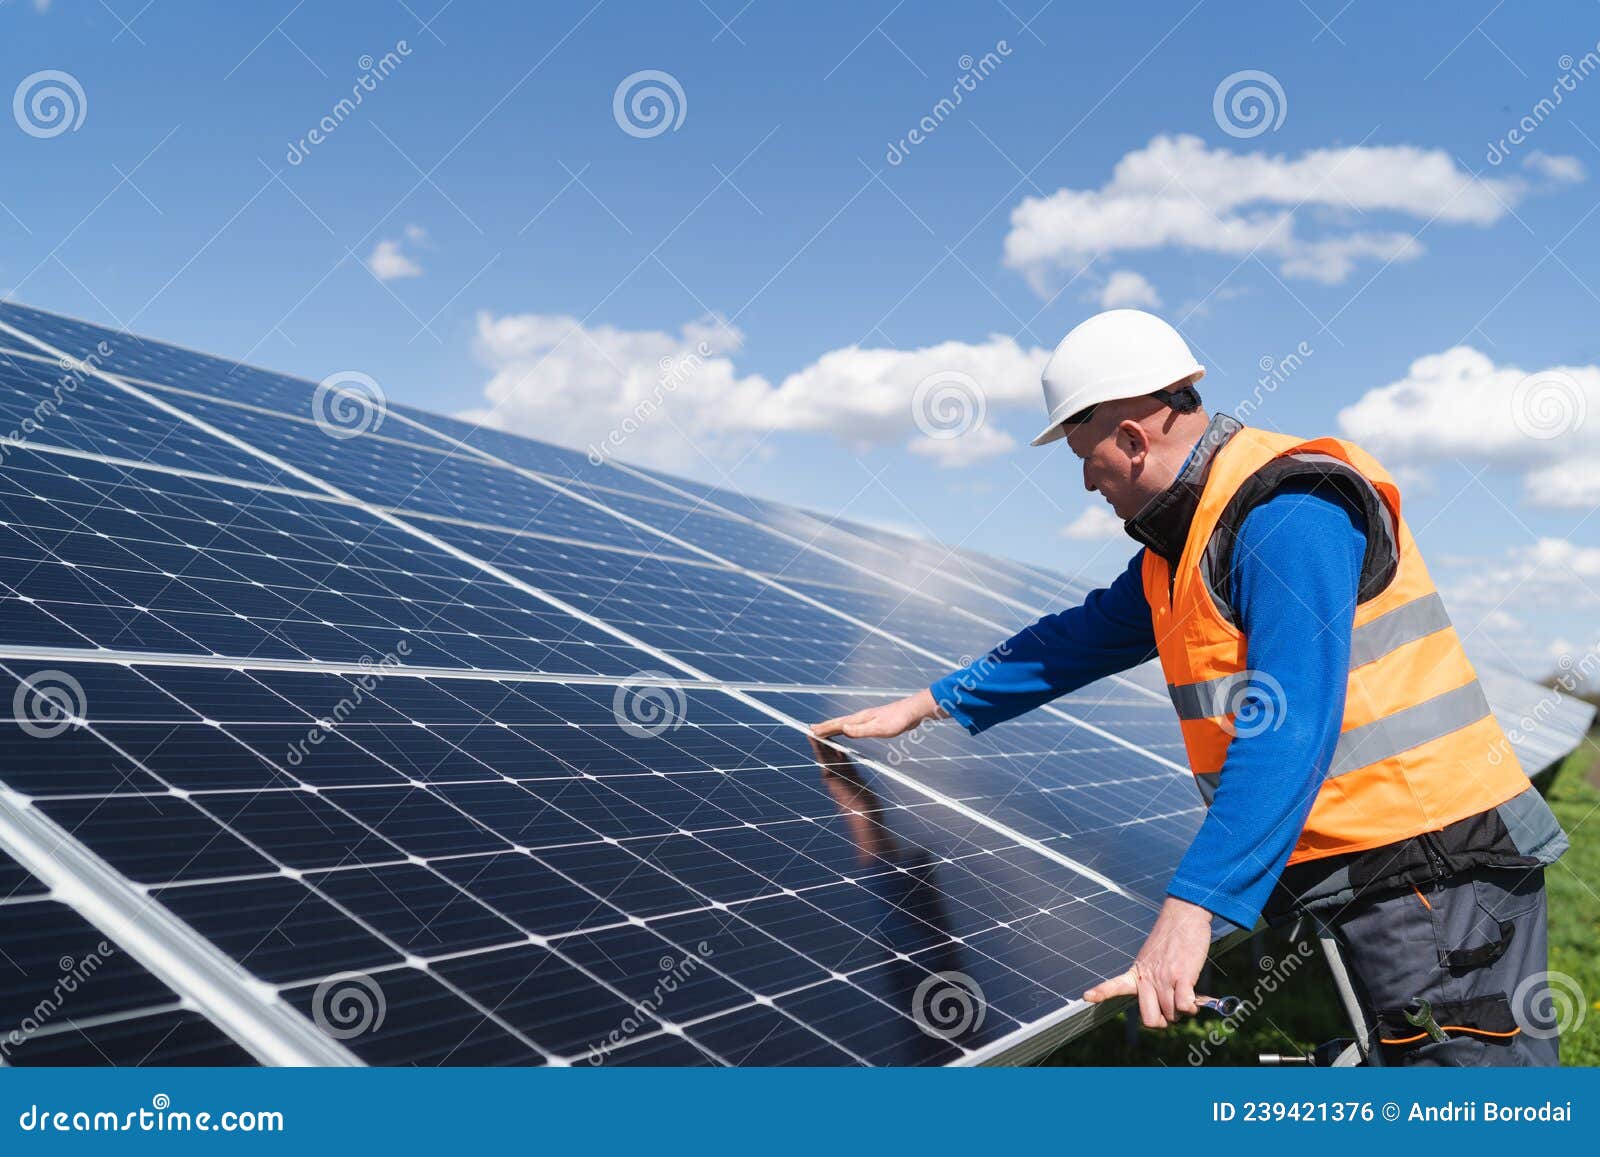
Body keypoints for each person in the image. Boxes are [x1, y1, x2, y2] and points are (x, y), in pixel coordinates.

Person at [811, 309, 1569, 1065]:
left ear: (1134, 441)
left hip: (1431, 870)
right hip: (1369, 871)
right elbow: (1077, 637)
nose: (1085, 481)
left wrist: (1195, 904)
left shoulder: (1285, 513)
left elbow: (1292, 722)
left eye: (1087, 456)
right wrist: (932, 701)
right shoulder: (1179, 548)